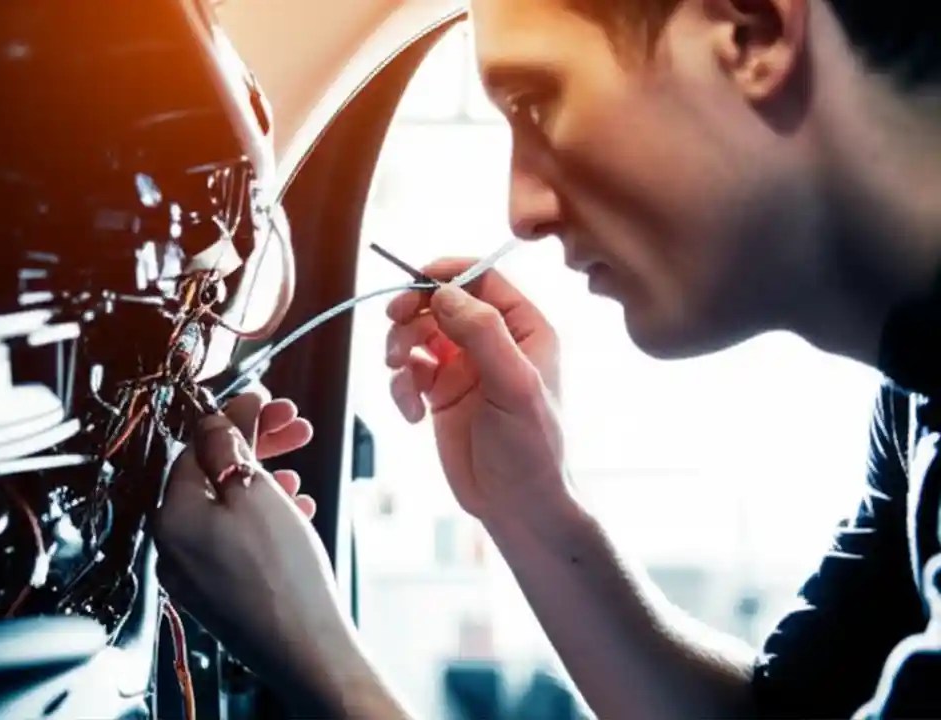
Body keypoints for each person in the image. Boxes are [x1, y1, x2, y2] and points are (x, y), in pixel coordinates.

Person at [154, 0, 941, 717]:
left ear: (751, 32)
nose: (520, 212)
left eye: (537, 102)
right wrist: (530, 504)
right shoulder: (915, 399)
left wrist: (320, 659)